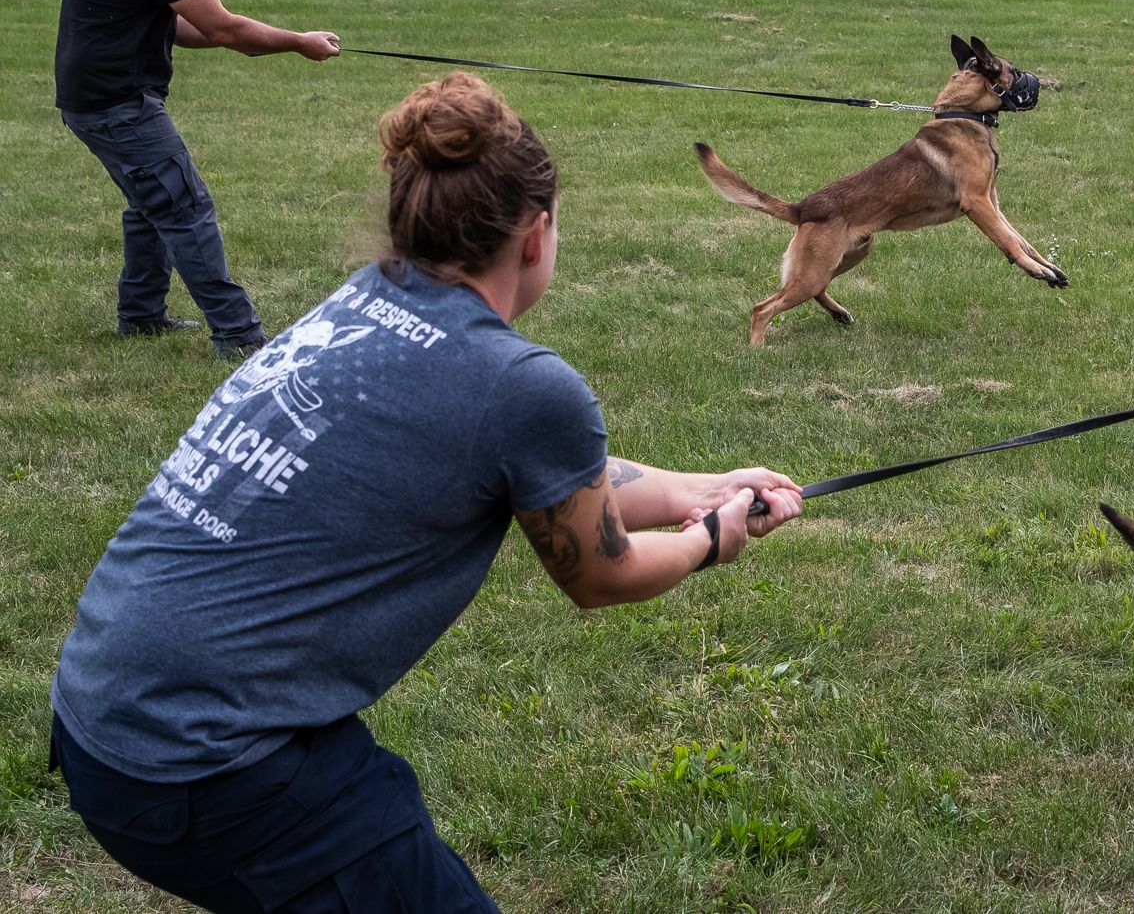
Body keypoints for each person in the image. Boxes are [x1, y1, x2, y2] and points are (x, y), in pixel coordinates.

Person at [47, 72, 807, 912]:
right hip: (203, 762)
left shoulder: (364, 302)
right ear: (536, 232)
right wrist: (713, 537)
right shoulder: (522, 385)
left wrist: (706, 486)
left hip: (101, 710)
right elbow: (601, 573)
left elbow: (550, 481)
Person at [55, 0, 341, 359]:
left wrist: (230, 36)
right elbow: (226, 27)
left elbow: (187, 26)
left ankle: (141, 317)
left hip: (90, 101)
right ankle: (238, 334)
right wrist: (298, 42)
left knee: (151, 205)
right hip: (116, 103)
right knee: (185, 206)